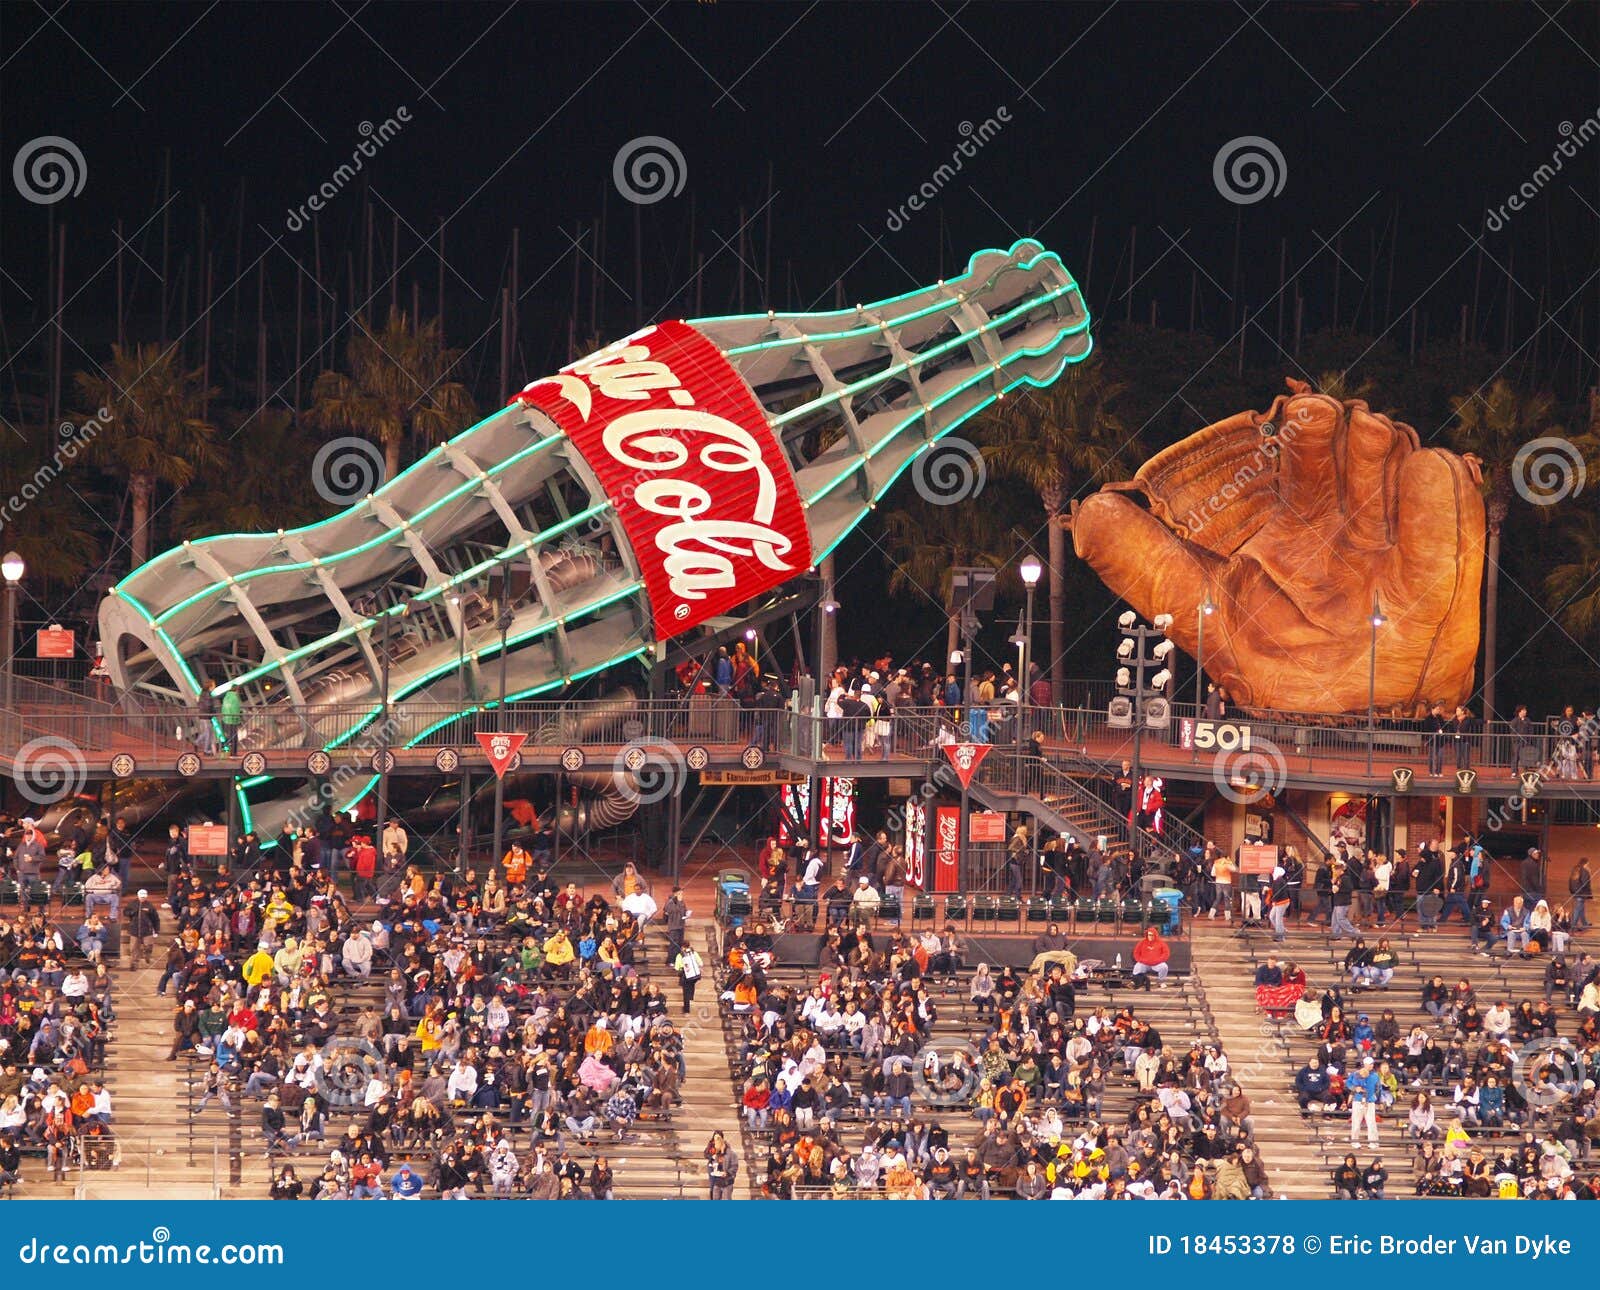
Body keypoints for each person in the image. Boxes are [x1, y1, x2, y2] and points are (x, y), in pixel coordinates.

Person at [1348, 1057, 1380, 1150]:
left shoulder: (1375, 1076)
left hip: (1370, 1101)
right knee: (1356, 1122)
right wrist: (1355, 1088)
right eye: (1369, 1064)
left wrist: (1376, 1098)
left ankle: (1373, 1142)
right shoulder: (1355, 1074)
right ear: (1365, 1064)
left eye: (1372, 1064)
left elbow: (1378, 1088)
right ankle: (1355, 1141)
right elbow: (1348, 1083)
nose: (1371, 1066)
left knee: (1371, 1122)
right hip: (1358, 1100)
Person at [1130, 926, 1170, 990]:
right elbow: (1136, 953)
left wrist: (1158, 960)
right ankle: (1135, 981)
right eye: (1149, 935)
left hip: (1156, 964)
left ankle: (1161, 982)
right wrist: (1141, 960)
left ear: (1155, 935)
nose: (1150, 936)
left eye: (1152, 935)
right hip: (1144, 964)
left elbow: (1166, 953)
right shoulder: (1142, 942)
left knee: (1164, 967)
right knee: (1137, 966)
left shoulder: (1161, 943)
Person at [673, 943, 703, 1015]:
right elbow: (701, 963)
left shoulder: (679, 955)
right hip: (694, 975)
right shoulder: (694, 953)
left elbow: (677, 967)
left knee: (685, 992)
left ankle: (687, 1010)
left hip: (685, 975)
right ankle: (691, 998)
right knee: (691, 986)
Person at [1569, 856, 1593, 932]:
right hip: (1581, 893)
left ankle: (1585, 923)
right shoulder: (1584, 871)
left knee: (1581, 909)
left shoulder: (1575, 869)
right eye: (1587, 864)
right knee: (1578, 909)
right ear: (1585, 864)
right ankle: (1573, 925)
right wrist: (1589, 873)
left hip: (1576, 892)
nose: (1588, 866)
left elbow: (1571, 882)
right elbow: (1585, 883)